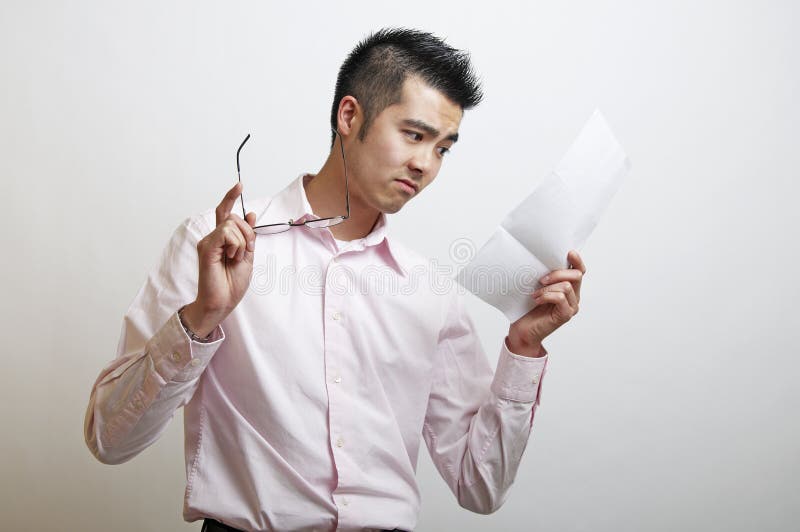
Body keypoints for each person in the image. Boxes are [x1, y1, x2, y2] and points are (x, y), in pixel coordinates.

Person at [84, 27, 586, 532]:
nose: (424, 164)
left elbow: (481, 485)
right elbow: (109, 438)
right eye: (414, 135)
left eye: (443, 149)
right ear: (350, 116)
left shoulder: (429, 292)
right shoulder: (214, 246)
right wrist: (201, 317)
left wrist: (524, 349)